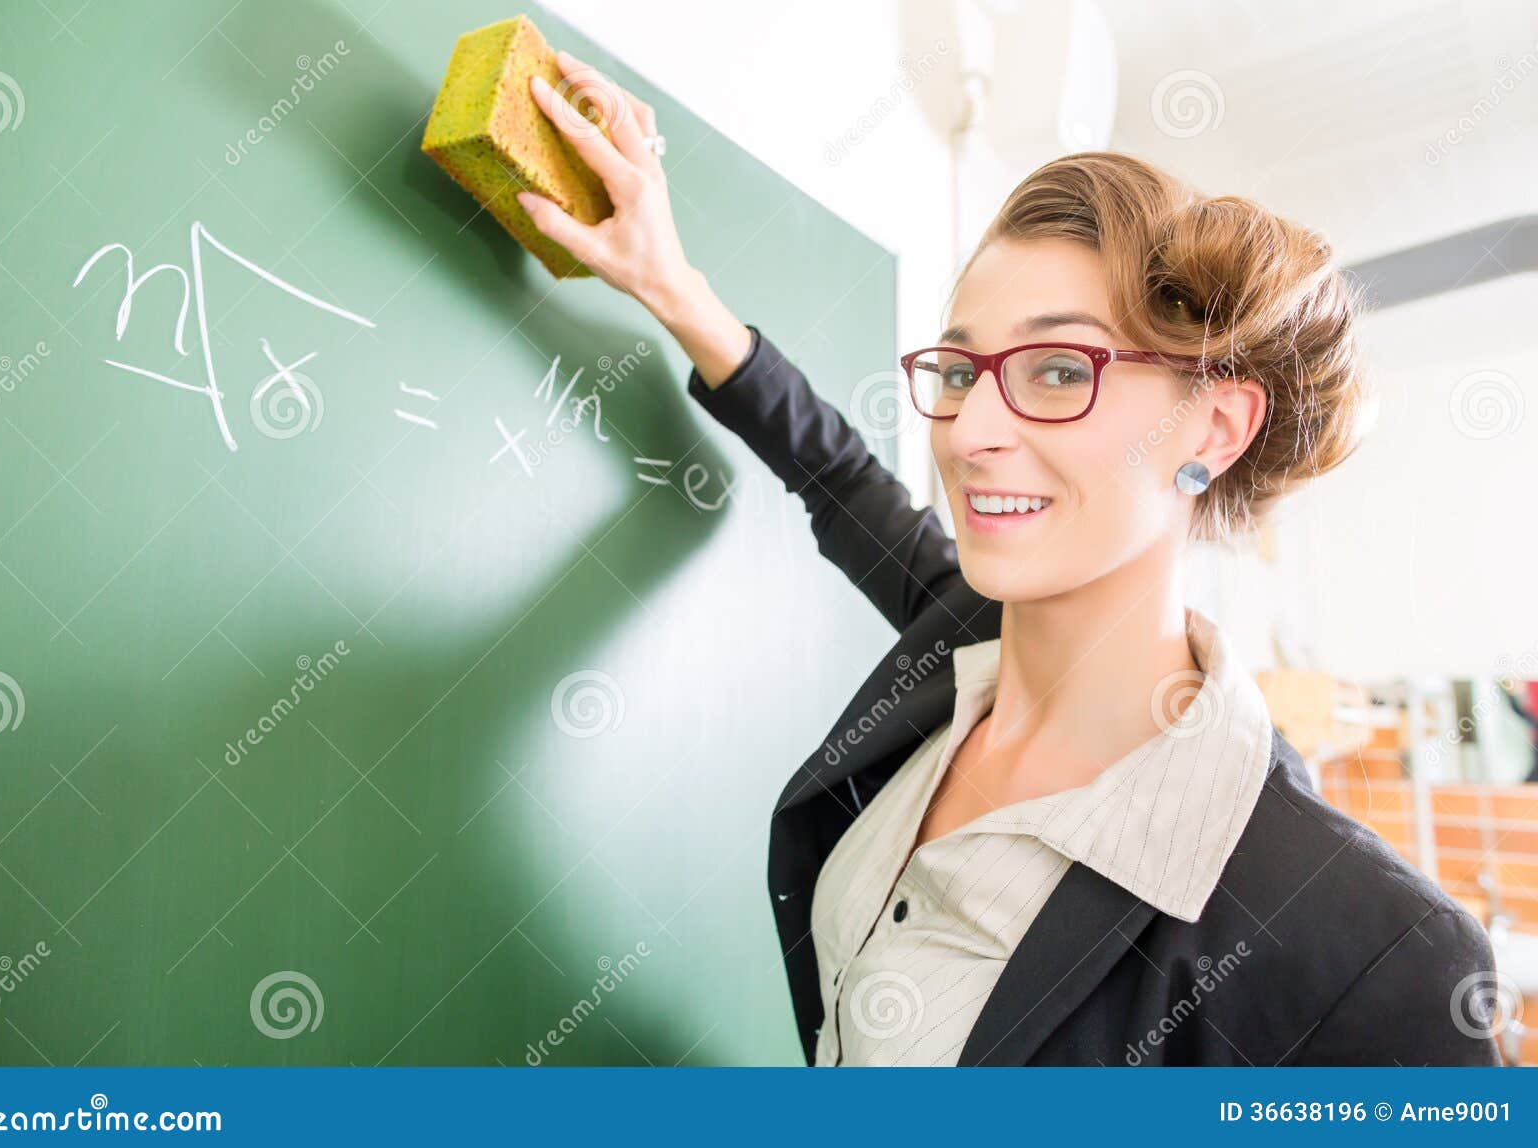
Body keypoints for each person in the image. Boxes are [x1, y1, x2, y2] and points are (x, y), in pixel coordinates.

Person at [515, 50, 1503, 1066]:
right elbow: (836, 475)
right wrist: (670, 283)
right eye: (958, 366)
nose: (970, 428)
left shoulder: (1369, 952)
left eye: (1059, 368)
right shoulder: (959, 639)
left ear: (1212, 427)